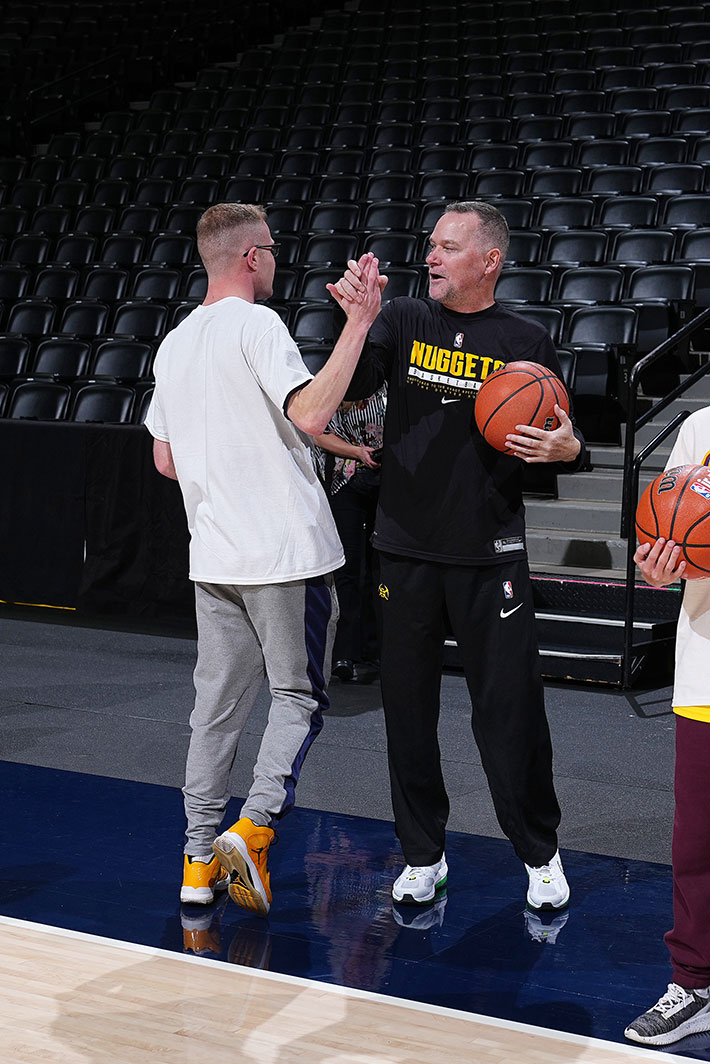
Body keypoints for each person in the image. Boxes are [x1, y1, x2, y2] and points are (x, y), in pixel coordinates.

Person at [327, 200, 586, 909]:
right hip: (404, 550)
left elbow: (558, 446)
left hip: (490, 554)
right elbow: (348, 395)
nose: (431, 256)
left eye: (446, 246)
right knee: (407, 715)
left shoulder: (528, 340)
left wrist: (573, 450)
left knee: (509, 717)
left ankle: (539, 854)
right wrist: (356, 320)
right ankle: (422, 855)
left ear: (489, 260)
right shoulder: (405, 318)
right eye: (431, 245)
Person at [145, 203, 382, 915]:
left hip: (213, 555)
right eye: (272, 250)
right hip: (284, 553)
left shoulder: (176, 343)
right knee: (298, 699)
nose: (277, 260)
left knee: (214, 713)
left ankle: (195, 865)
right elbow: (311, 414)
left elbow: (164, 459)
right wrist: (361, 323)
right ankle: (254, 829)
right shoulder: (258, 325)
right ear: (250, 256)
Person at [625, 408, 710, 1046]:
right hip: (706, 663)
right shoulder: (701, 428)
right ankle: (695, 983)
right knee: (697, 844)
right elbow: (668, 537)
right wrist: (661, 565)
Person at [313, 387, 387, 681]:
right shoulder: (335, 382)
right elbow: (317, 432)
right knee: (346, 570)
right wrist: (357, 452)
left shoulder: (389, 384)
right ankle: (342, 654)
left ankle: (375, 654)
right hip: (345, 481)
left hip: (389, 481)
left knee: (380, 571)